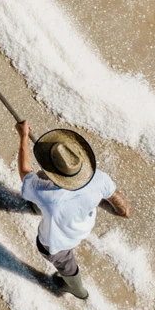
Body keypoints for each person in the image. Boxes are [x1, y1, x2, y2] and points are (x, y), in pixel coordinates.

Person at [15, 120, 130, 299]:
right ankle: (38, 208)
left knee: (67, 266)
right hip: (81, 227)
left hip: (56, 243)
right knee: (42, 179)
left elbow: (25, 172)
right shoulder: (99, 179)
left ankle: (78, 290)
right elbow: (123, 210)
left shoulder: (45, 193)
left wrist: (23, 137)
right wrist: (93, 197)